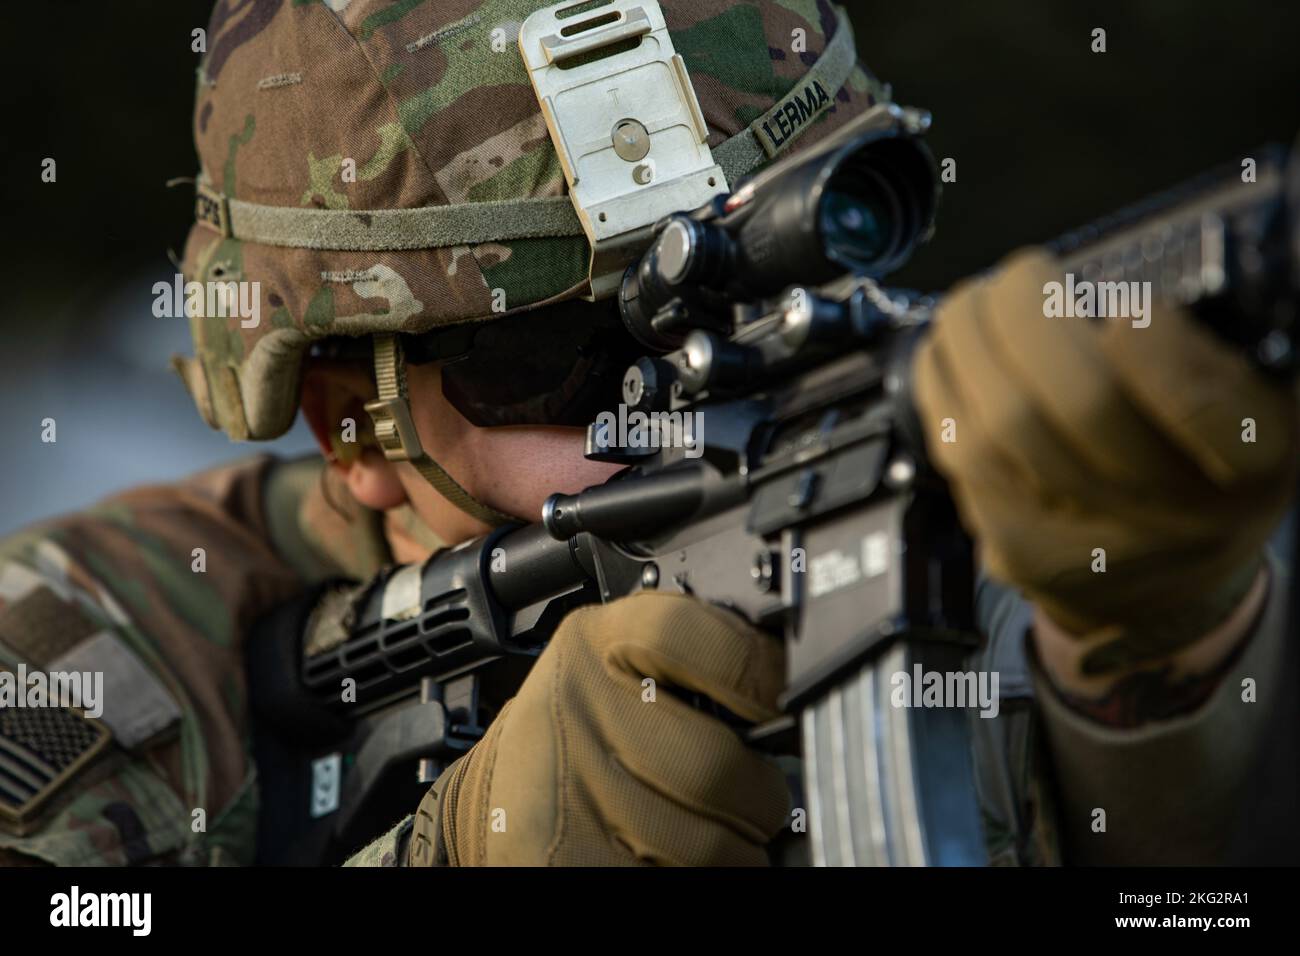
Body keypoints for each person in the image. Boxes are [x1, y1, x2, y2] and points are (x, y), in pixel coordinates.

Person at [0, 0, 1293, 868]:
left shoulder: (984, 540)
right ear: (355, 423)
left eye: (772, 298)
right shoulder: (87, 666)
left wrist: (1168, 650)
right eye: (563, 364)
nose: (685, 398)